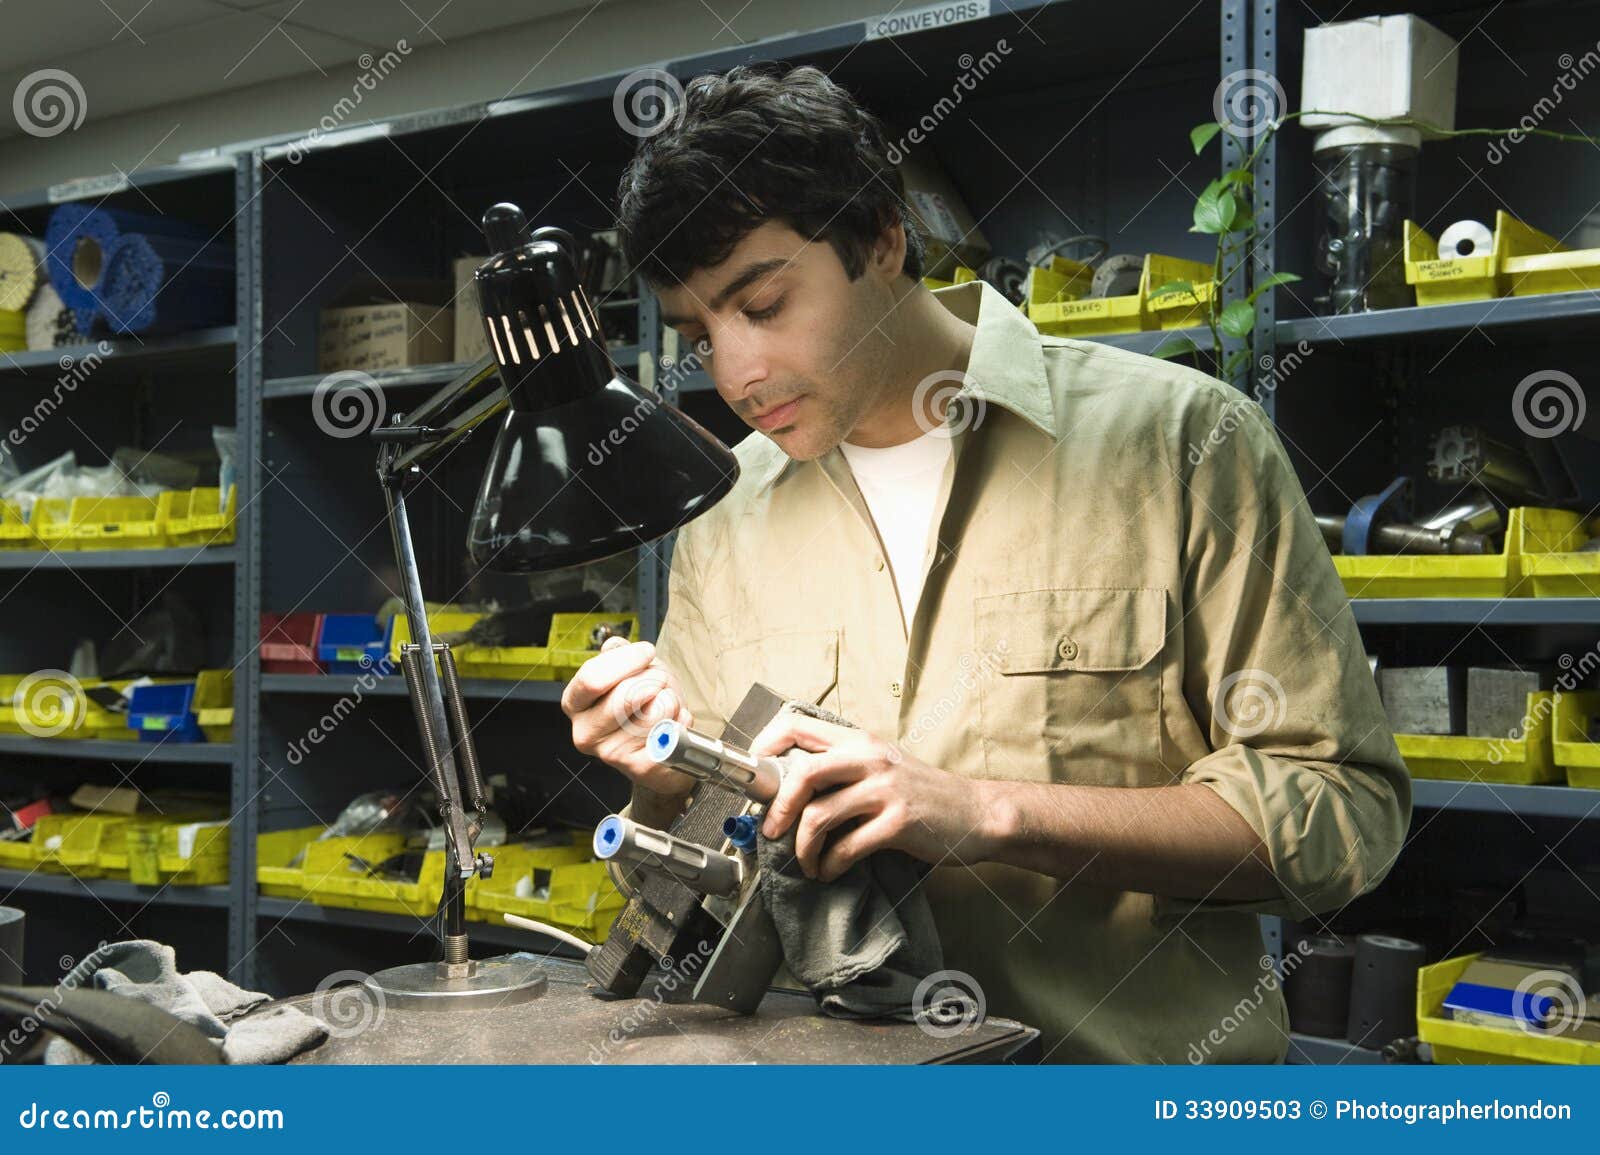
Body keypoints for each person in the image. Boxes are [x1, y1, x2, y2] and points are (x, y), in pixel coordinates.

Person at [561, 63, 1409, 1063]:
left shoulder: (1182, 443)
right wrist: (656, 781)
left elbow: (1338, 817)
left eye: (764, 306)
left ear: (882, 239)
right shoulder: (724, 512)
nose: (737, 377)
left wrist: (986, 813)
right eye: (700, 336)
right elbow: (705, 877)